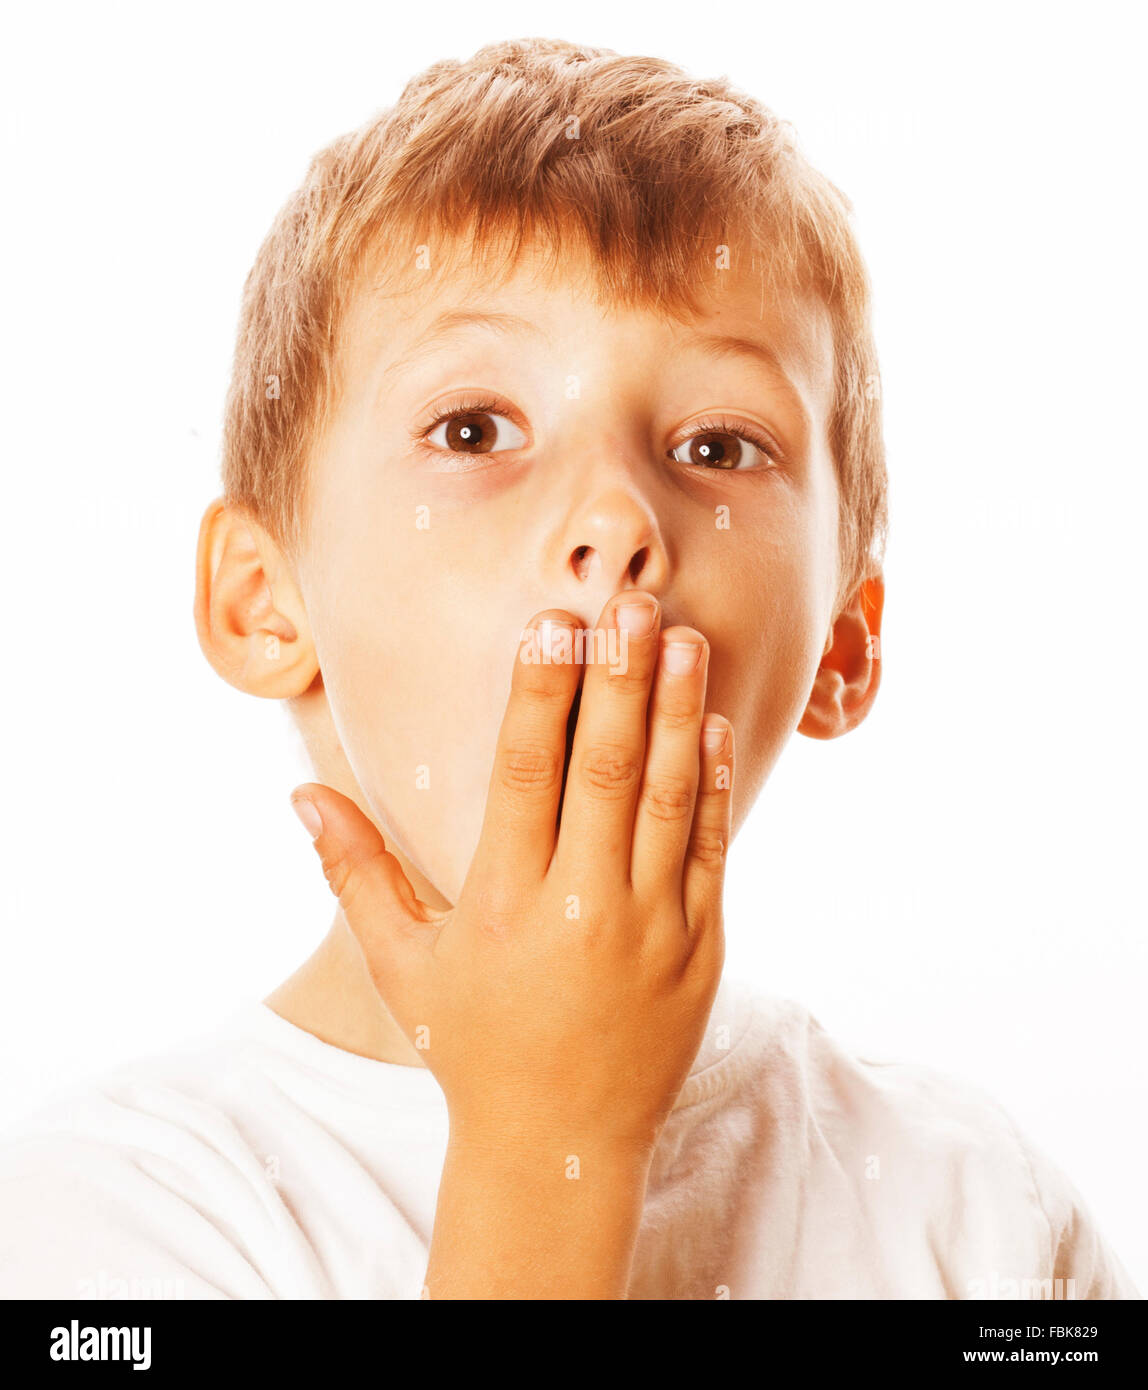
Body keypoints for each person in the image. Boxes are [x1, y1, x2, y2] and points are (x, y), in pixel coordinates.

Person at [0, 36, 1137, 1300]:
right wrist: (550, 1144)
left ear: (839, 648)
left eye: (714, 444)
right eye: (475, 429)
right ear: (263, 603)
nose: (615, 516)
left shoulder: (982, 1223)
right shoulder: (108, 1222)